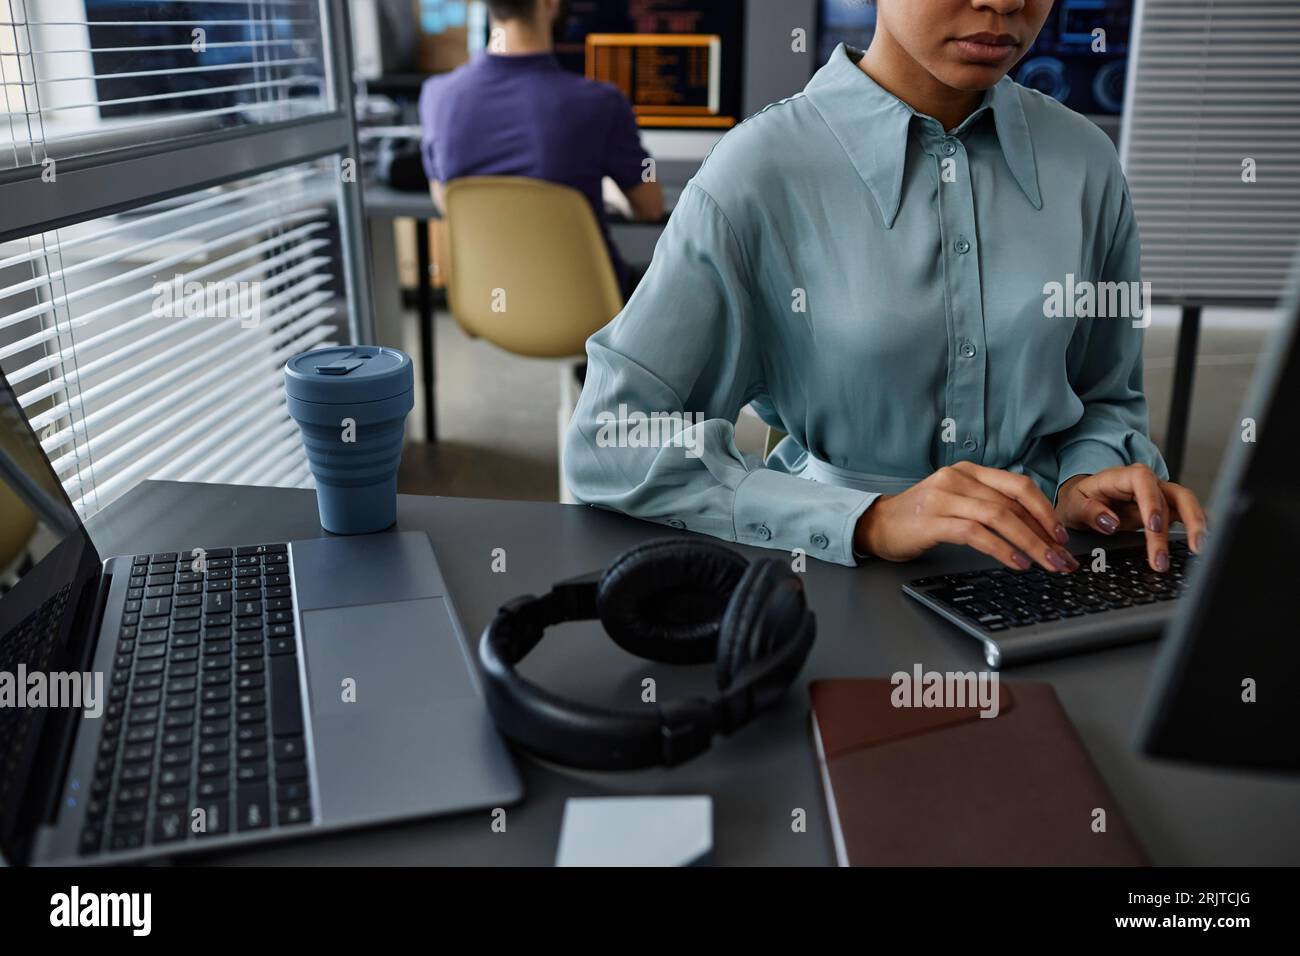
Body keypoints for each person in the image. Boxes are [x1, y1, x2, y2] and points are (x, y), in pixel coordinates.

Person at [564, 0, 1208, 574]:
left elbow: (1104, 396)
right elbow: (610, 441)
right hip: (841, 571)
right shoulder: (758, 171)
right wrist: (866, 519)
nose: (1005, 3)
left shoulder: (1086, 163)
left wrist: (1087, 478)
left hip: (1047, 565)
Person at [417, 0, 664, 299]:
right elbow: (651, 207)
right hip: (590, 307)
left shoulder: (436, 96)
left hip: (489, 303)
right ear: (549, 4)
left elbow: (445, 200)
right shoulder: (603, 103)